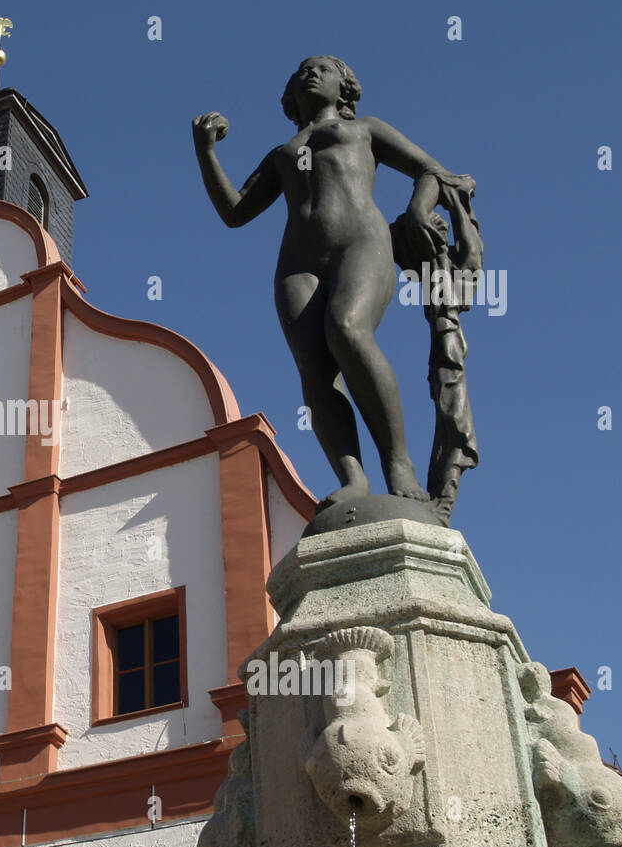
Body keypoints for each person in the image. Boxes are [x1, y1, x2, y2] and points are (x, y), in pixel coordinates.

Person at [193, 56, 458, 509]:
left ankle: (399, 464)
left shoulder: (365, 130)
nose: (309, 74)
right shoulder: (283, 153)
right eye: (301, 72)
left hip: (362, 244)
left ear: (345, 88)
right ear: (291, 96)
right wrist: (206, 152)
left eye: (322, 69)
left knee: (348, 330)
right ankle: (353, 478)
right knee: (315, 373)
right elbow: (235, 212)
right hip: (298, 263)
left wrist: (417, 210)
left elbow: (432, 171)